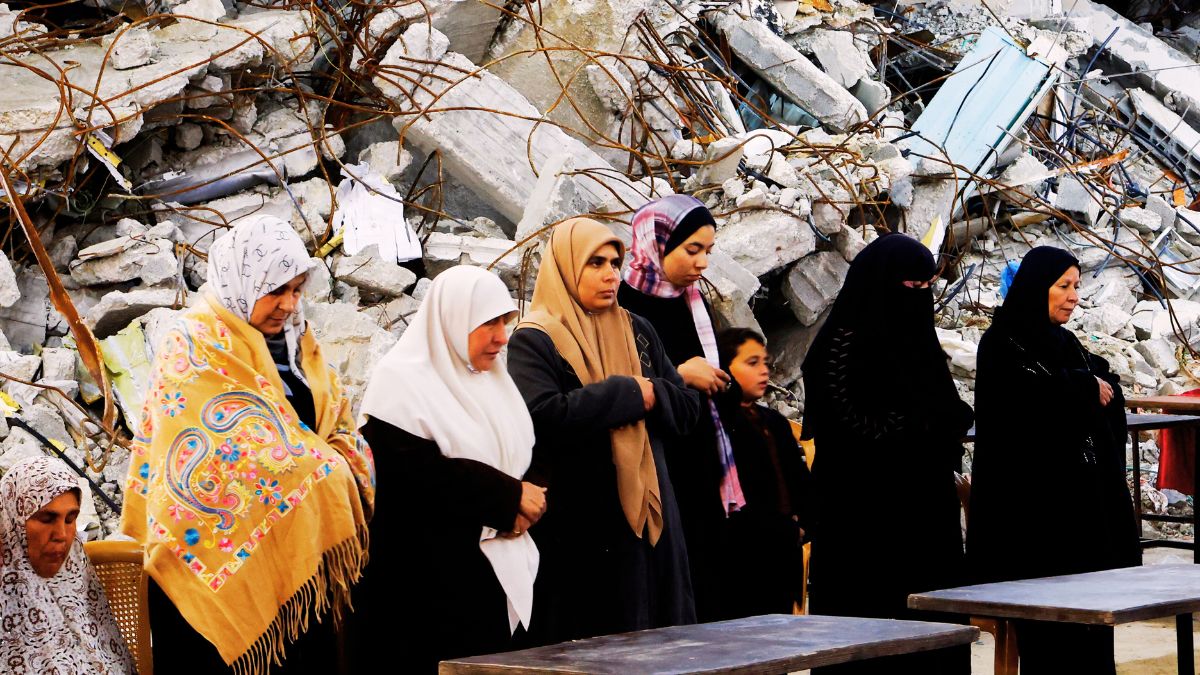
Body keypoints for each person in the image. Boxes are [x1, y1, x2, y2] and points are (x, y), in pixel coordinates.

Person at [121, 215, 375, 675]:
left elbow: (338, 425)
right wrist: (323, 472)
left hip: (300, 568)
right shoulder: (193, 345)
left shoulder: (301, 346)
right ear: (241, 279)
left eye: (297, 290)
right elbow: (234, 453)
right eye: (275, 290)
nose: (288, 305)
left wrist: (336, 463)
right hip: (209, 565)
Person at [507, 217, 699, 645]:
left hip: (652, 517)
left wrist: (652, 393)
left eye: (615, 262)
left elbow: (688, 408)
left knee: (660, 645)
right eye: (595, 263)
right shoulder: (535, 339)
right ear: (566, 266)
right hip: (581, 526)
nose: (611, 273)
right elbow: (542, 415)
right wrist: (630, 393)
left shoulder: (638, 331)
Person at [355, 265, 546, 672]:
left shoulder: (492, 380)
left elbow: (525, 453)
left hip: (495, 576)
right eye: (488, 322)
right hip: (429, 597)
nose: (502, 336)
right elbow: (415, 479)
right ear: (454, 318)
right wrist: (507, 499)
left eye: (506, 321)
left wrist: (529, 498)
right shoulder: (400, 386)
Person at [801, 233, 973, 674]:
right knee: (866, 634)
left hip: (925, 517)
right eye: (908, 287)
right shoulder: (838, 348)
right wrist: (923, 424)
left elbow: (947, 410)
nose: (918, 298)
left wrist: (933, 424)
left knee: (929, 633)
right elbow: (855, 427)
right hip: (859, 519)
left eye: (925, 288)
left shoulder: (920, 343)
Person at [967, 246, 1138, 674]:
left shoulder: (1065, 344)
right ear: (1034, 288)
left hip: (1083, 521)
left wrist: (1086, 386)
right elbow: (1022, 411)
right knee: (1052, 642)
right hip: (1035, 527)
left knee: (1093, 638)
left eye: (1077, 286)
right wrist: (1082, 389)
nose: (1073, 296)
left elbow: (1105, 386)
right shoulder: (1002, 344)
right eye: (1063, 286)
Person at [616, 194, 739, 621]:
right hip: (658, 467)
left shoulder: (691, 302)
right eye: (693, 250)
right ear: (657, 243)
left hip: (699, 459)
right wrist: (681, 375)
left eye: (708, 251)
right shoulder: (622, 305)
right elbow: (621, 382)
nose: (703, 263)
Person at [0, 455, 134, 674]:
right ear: (13, 520)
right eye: (46, 519)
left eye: (70, 519)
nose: (62, 535)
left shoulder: (82, 595)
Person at [714, 327, 814, 616]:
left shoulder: (775, 423)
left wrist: (802, 525)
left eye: (765, 363)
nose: (762, 372)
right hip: (742, 558)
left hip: (783, 554)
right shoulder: (718, 424)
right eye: (751, 363)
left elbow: (800, 483)